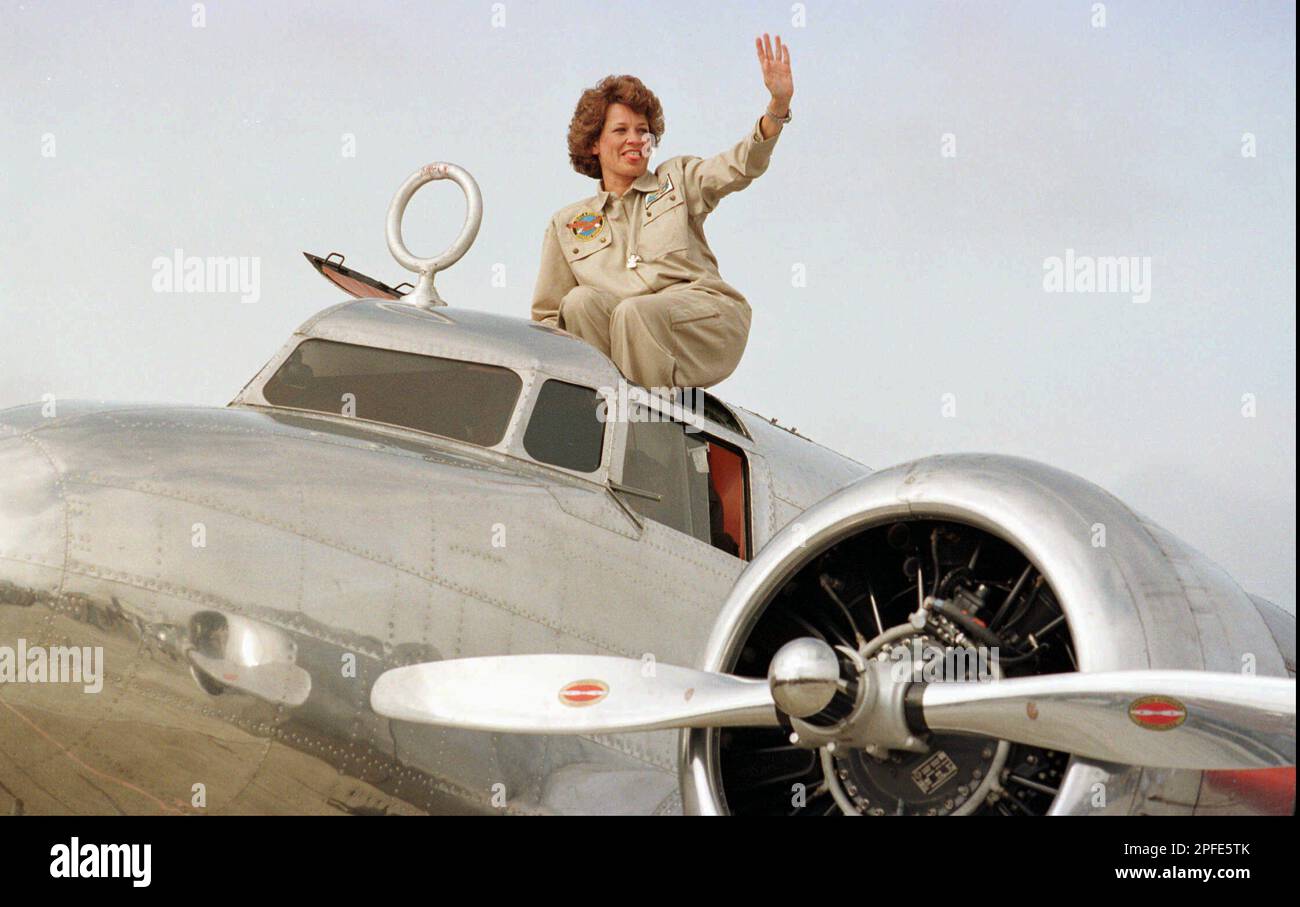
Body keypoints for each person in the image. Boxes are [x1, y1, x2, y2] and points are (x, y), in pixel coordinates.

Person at [530, 34, 794, 390]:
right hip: (629, 336)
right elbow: (548, 317)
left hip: (702, 322)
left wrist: (776, 109)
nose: (636, 139)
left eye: (643, 131)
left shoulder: (678, 179)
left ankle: (645, 422)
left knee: (635, 312)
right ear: (594, 143)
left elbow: (739, 166)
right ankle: (601, 412)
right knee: (579, 302)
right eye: (621, 130)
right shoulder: (568, 224)